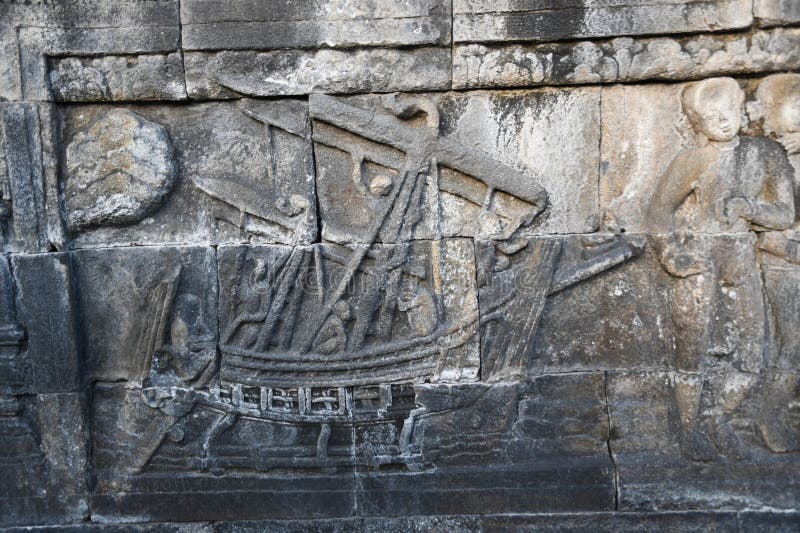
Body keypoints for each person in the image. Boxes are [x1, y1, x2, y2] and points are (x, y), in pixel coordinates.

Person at [644, 77, 796, 461]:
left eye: (728, 111)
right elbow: (659, 211)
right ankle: (689, 428)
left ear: (740, 107)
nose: (724, 121)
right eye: (712, 117)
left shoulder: (766, 153)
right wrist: (672, 254)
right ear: (698, 124)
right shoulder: (693, 159)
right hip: (700, 258)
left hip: (740, 258)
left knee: (751, 352)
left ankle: (718, 418)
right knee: (692, 350)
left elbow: (784, 214)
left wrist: (750, 207)